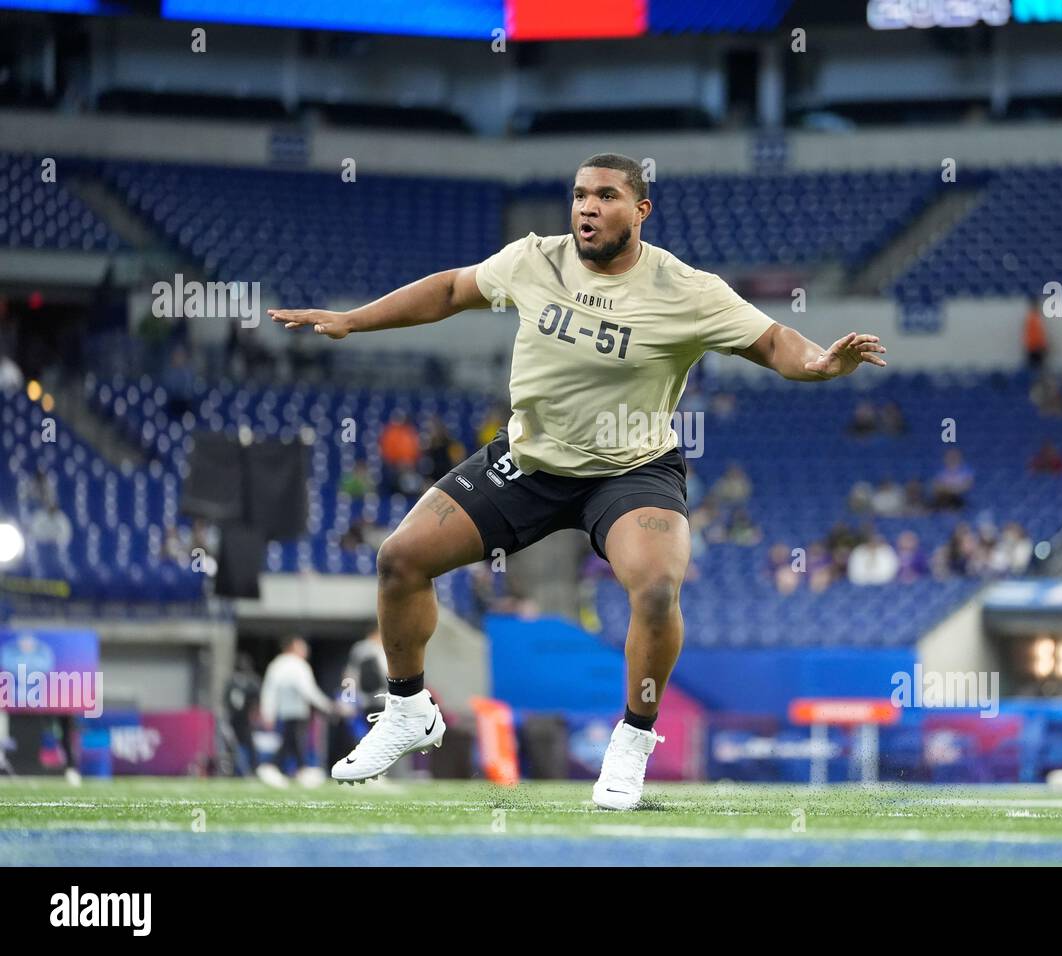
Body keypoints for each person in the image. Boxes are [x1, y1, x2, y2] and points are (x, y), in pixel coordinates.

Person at [269, 152, 888, 809]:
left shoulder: (685, 289)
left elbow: (769, 342)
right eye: (579, 195)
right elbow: (452, 290)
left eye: (606, 196)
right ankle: (408, 710)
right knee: (400, 559)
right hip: (530, 461)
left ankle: (633, 740)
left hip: (630, 471)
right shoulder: (536, 260)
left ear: (640, 211)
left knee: (655, 589)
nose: (587, 208)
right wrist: (353, 319)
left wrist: (818, 361)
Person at [259, 636, 337, 783]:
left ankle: (297, 768)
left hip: (283, 711)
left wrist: (267, 712)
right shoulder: (298, 665)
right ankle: (280, 767)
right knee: (294, 740)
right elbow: (308, 690)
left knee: (292, 741)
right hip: (297, 711)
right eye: (301, 647)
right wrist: (327, 705)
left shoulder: (276, 665)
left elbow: (268, 691)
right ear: (292, 647)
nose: (305, 650)